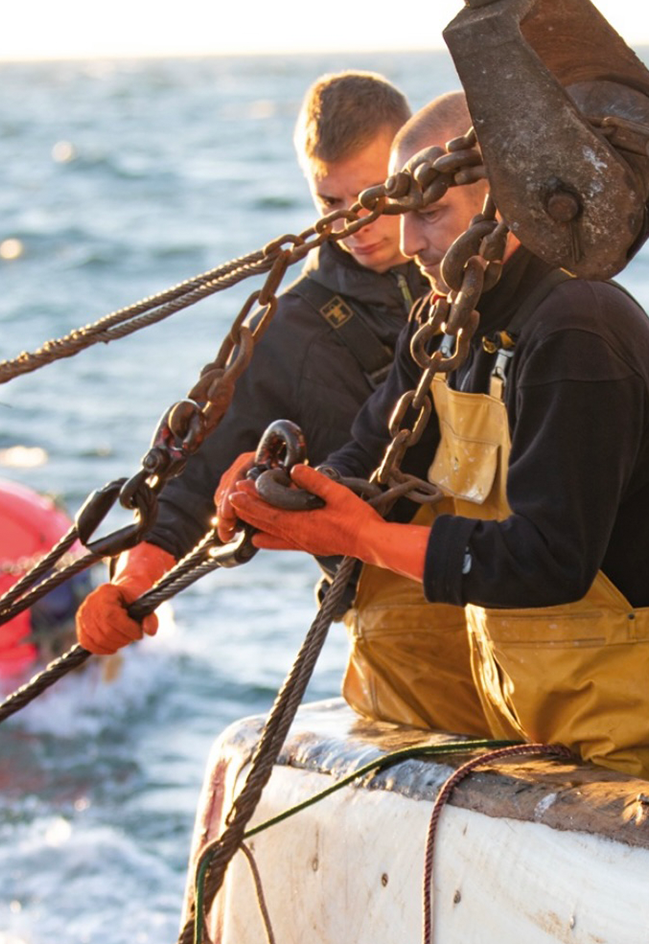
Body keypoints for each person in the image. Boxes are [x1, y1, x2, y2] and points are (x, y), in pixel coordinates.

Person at [217, 91, 649, 787]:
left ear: (508, 200)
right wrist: (287, 497)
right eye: (403, 215)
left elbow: (550, 560)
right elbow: (375, 457)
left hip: (645, 730)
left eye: (430, 214)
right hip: (543, 717)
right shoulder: (447, 322)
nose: (408, 243)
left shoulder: (577, 330)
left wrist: (363, 538)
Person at [76, 71, 427, 656]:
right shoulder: (288, 333)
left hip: (516, 586)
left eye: (372, 196)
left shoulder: (478, 276)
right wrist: (132, 585)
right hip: (402, 628)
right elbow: (191, 482)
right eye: (331, 202)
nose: (355, 225)